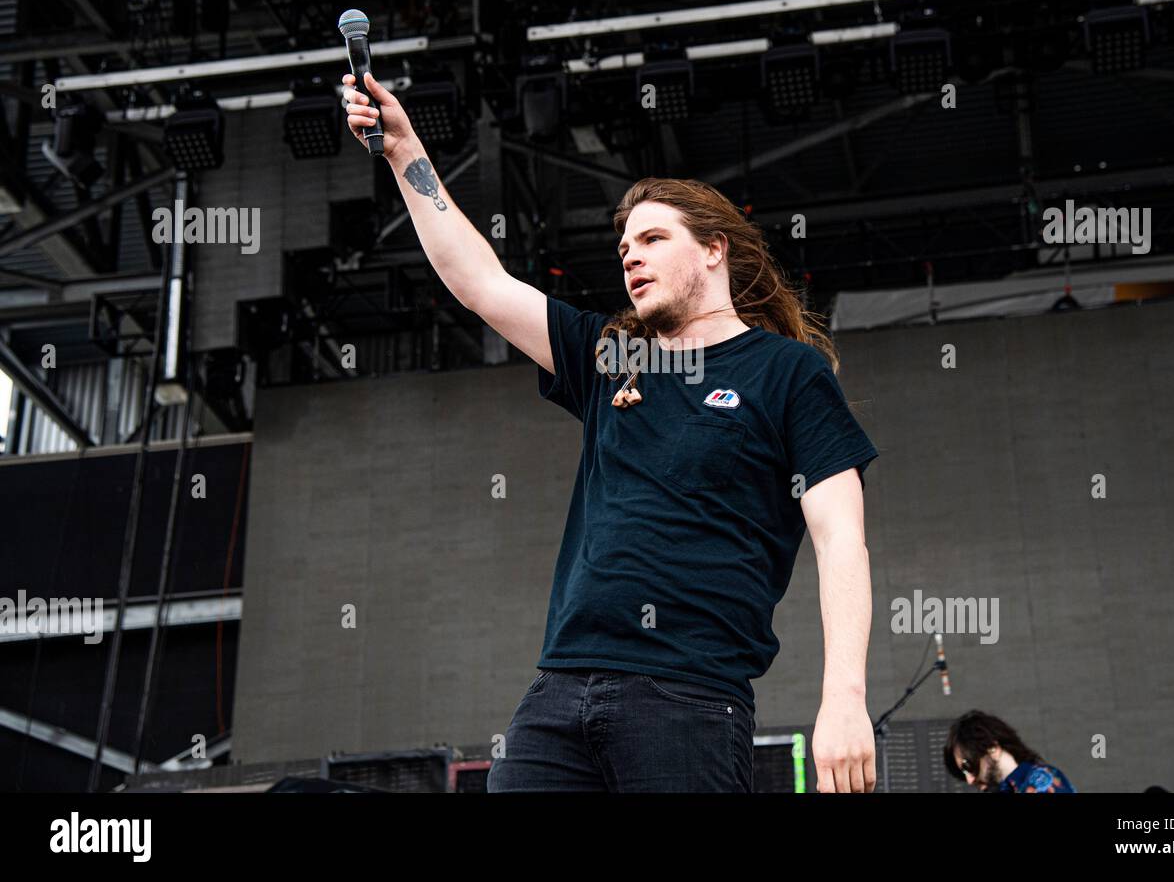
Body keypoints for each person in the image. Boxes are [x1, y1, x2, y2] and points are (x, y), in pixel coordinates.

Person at [341, 72, 880, 792]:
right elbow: (478, 280)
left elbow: (841, 536)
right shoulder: (612, 355)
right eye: (624, 245)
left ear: (715, 250)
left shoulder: (787, 373)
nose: (631, 255)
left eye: (654, 238)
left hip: (687, 697)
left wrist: (843, 697)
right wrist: (405, 150)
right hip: (558, 693)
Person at [943, 710, 1076, 793]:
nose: (969, 779)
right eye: (963, 773)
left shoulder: (1041, 781)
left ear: (992, 748)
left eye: (967, 766)